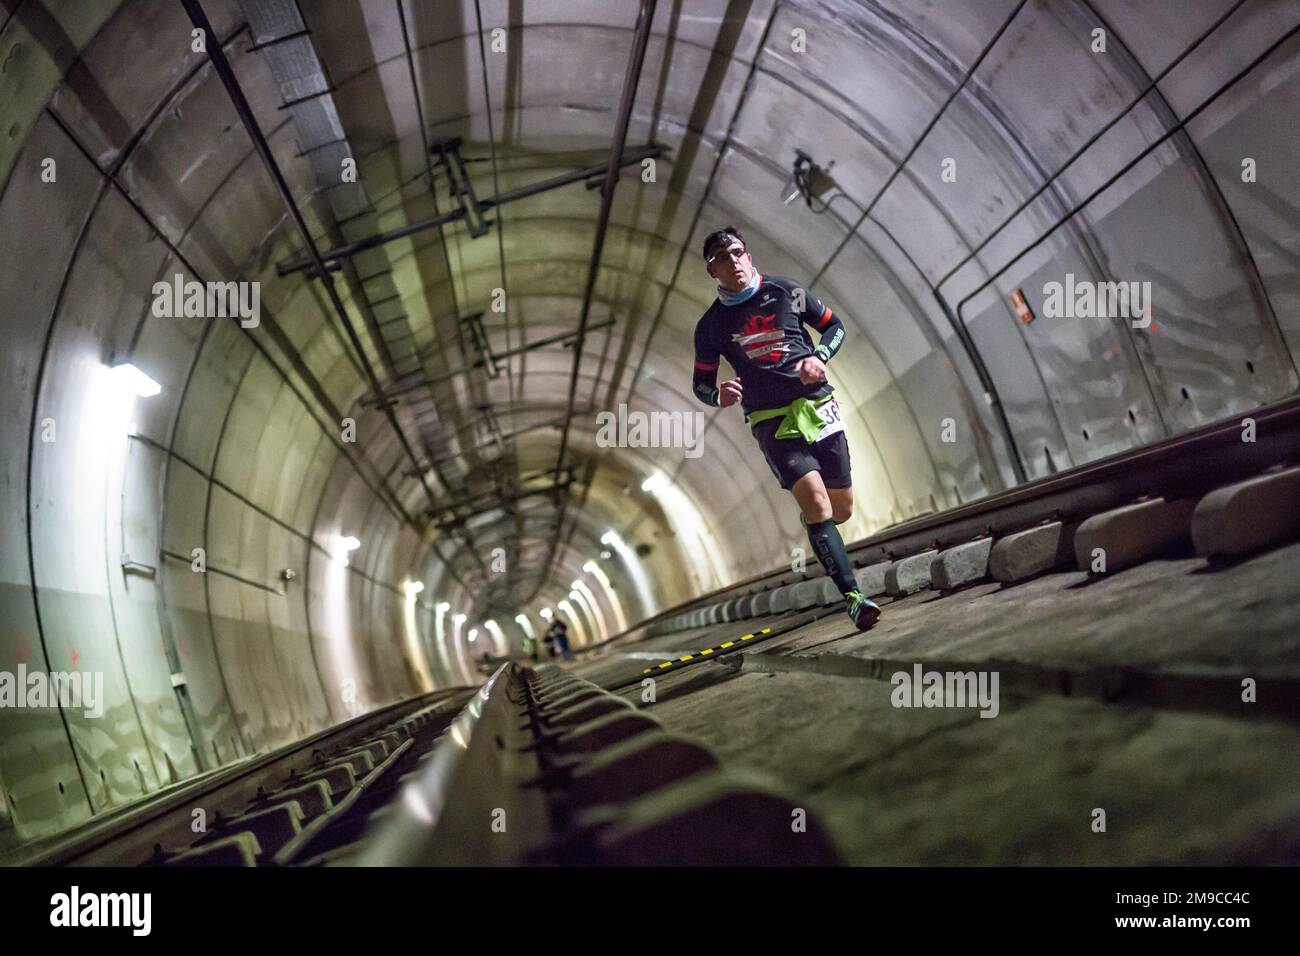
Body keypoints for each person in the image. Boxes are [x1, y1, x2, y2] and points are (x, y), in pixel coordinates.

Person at [691, 226, 880, 631]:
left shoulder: (787, 291)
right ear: (712, 272)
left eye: (738, 252)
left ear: (750, 256)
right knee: (816, 502)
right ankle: (854, 597)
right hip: (770, 420)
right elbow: (700, 382)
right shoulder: (710, 326)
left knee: (839, 508)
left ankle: (817, 525)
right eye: (722, 259)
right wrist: (717, 394)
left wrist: (821, 357)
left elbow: (836, 326)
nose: (734, 262)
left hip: (818, 406)